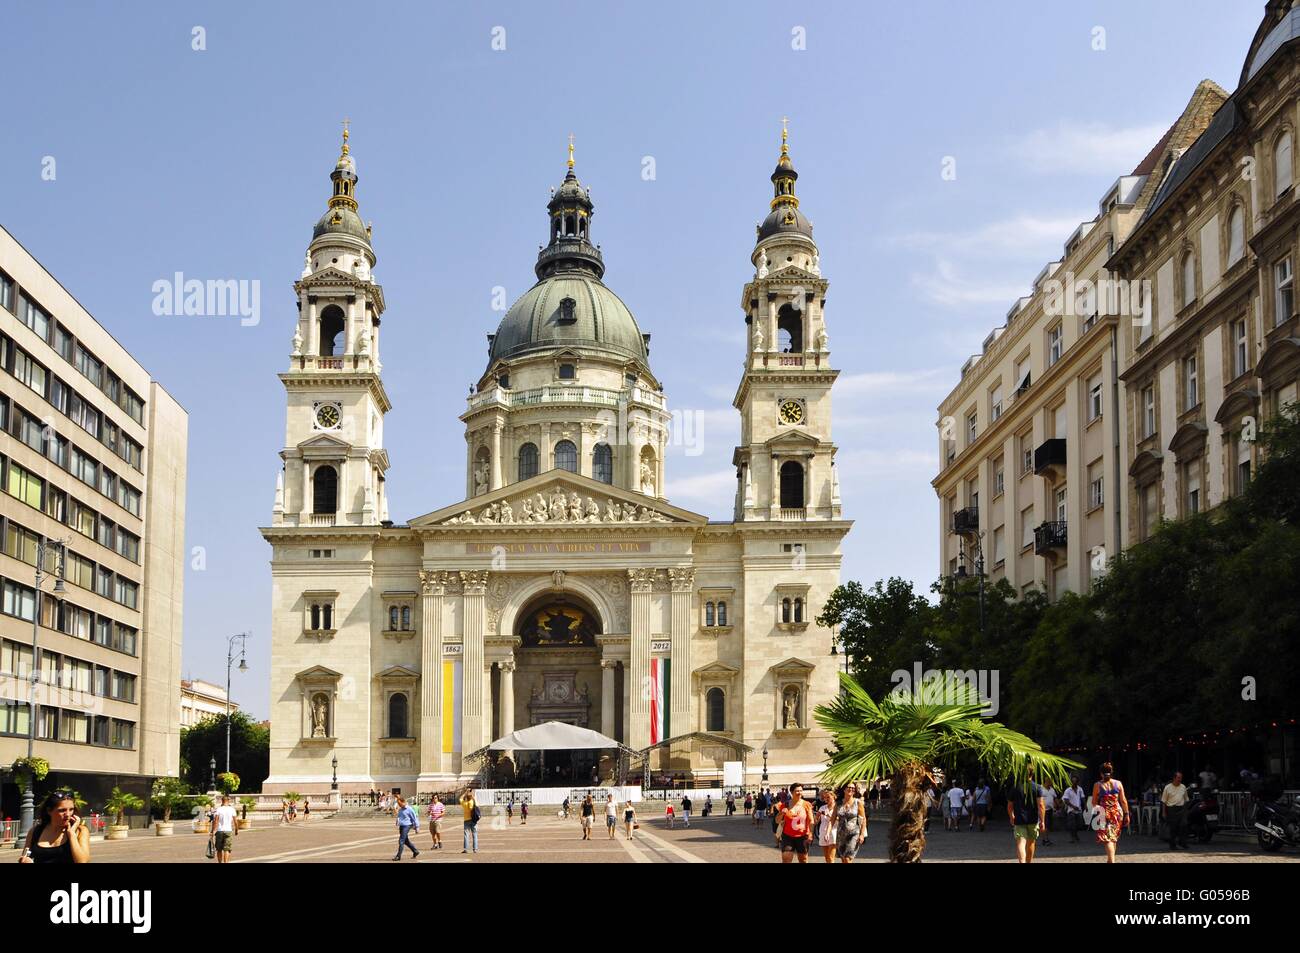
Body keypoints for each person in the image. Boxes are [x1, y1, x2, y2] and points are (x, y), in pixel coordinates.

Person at [19, 791, 90, 864]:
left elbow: (82, 861)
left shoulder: (80, 831)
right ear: (49, 811)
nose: (68, 814)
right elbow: (25, 856)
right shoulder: (35, 832)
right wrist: (24, 860)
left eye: (71, 809)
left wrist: (71, 834)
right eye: (62, 810)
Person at [1092, 762, 1130, 864]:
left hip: (1105, 813)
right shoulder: (1118, 783)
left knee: (1108, 839)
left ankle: (1111, 861)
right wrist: (1127, 814)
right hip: (1117, 813)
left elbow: (1094, 803)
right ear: (1111, 772)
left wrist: (1099, 810)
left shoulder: (1097, 785)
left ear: (1101, 773)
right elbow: (1123, 801)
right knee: (1113, 838)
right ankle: (1110, 860)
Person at [1006, 772, 1046, 863]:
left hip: (1019, 819)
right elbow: (1041, 805)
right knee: (1031, 842)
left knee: (1021, 843)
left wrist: (1011, 817)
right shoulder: (1037, 787)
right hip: (1033, 819)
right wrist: (1042, 821)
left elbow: (1009, 805)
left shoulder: (1015, 788)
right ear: (1032, 774)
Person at [774, 782, 815, 864]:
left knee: (803, 860)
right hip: (787, 836)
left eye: (801, 790)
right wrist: (782, 813)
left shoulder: (807, 804)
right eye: (797, 791)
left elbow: (811, 821)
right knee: (786, 860)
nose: (799, 793)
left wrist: (811, 834)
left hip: (803, 836)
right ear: (792, 792)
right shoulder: (785, 804)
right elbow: (777, 821)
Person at [835, 783, 868, 863]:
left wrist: (862, 835)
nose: (851, 789)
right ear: (844, 789)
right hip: (841, 834)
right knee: (843, 858)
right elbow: (832, 819)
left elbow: (863, 819)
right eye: (849, 787)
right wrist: (828, 832)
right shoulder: (838, 803)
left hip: (854, 834)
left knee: (847, 858)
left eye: (853, 788)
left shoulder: (858, 803)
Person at [1161, 770, 1189, 850]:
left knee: (1184, 825)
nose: (1180, 779)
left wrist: (1185, 810)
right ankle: (1172, 844)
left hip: (1181, 808)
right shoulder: (1167, 787)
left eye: (1181, 778)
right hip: (1172, 809)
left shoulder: (1183, 787)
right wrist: (1163, 812)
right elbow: (1163, 801)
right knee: (1173, 827)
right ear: (1174, 778)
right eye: (1178, 778)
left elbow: (1186, 799)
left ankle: (1182, 842)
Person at [208, 794, 239, 864]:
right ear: (228, 801)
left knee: (219, 849)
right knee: (227, 849)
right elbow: (235, 821)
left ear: (222, 801)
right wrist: (236, 830)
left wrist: (212, 831)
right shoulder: (232, 809)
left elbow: (215, 821)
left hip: (219, 831)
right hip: (228, 831)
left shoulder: (219, 809)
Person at [392, 796, 421, 861]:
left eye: (400, 804)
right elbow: (399, 817)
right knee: (406, 841)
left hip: (407, 826)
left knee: (401, 840)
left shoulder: (409, 809)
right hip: (401, 826)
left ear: (403, 802)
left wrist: (417, 827)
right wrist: (397, 821)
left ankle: (398, 856)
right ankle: (415, 851)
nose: (399, 805)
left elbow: (414, 818)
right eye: (398, 804)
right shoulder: (401, 809)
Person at [816, 788, 838, 862]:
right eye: (824, 797)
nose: (826, 799)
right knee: (827, 858)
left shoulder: (837, 807)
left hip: (833, 833)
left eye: (828, 797)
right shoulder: (822, 808)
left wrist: (829, 815)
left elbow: (839, 820)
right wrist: (817, 816)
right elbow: (816, 822)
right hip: (823, 832)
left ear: (833, 796)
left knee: (831, 858)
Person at [1062, 775, 1086, 843]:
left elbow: (1082, 797)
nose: (1074, 783)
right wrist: (1073, 806)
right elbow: (1066, 800)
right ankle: (1072, 837)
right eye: (1072, 782)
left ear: (1077, 782)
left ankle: (1075, 834)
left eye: (1075, 782)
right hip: (1071, 810)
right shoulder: (1068, 790)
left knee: (1080, 824)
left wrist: (1085, 805)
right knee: (1072, 825)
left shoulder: (1080, 789)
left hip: (1079, 810)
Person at [460, 788, 480, 854]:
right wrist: (473, 796)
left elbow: (460, 799)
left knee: (466, 834)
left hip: (466, 820)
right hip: (474, 819)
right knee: (475, 834)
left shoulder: (464, 803)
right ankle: (475, 849)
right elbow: (477, 806)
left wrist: (465, 793)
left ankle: (466, 849)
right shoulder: (473, 801)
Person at [1040, 779, 1057, 846]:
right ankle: (1045, 839)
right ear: (1045, 782)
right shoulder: (1041, 789)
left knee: (1048, 825)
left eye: (1051, 782)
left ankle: (1045, 839)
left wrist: (1057, 805)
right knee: (1045, 825)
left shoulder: (1052, 789)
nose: (1050, 783)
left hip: (1050, 809)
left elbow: (1055, 798)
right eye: (1049, 781)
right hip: (1043, 810)